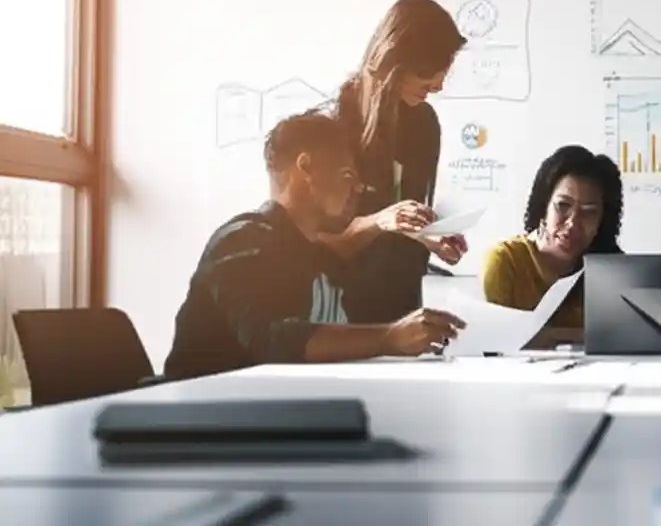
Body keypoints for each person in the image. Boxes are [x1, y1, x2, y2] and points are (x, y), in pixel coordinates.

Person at [165, 112, 466, 380]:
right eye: (348, 176)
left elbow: (352, 246)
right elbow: (271, 339)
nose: (358, 190)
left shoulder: (312, 253)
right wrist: (388, 337)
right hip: (204, 423)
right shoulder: (240, 241)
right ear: (305, 167)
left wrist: (425, 236)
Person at [323, 0, 470, 324]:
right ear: (395, 63)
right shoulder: (335, 123)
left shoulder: (425, 123)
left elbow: (403, 215)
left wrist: (430, 237)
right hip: (341, 307)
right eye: (430, 74)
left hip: (404, 301)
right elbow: (320, 241)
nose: (439, 85)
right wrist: (381, 220)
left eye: (444, 72)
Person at [481, 145, 624, 347]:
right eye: (563, 206)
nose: (573, 222)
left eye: (589, 211)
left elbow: (624, 339)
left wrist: (549, 335)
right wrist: (579, 336)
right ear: (544, 206)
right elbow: (500, 340)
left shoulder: (612, 269)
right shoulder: (506, 260)